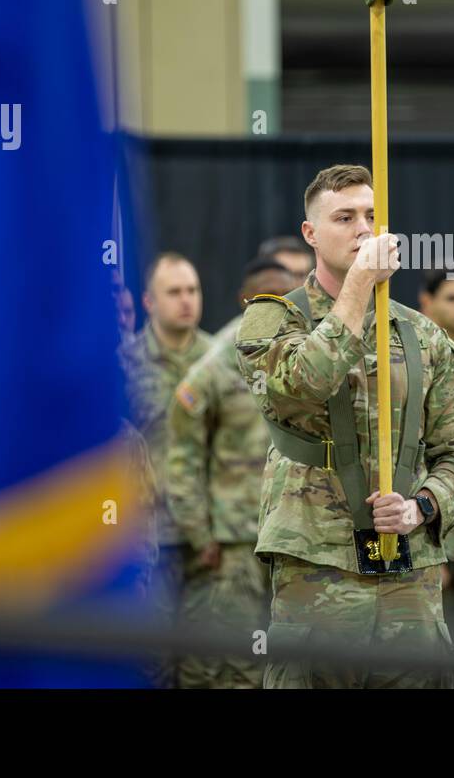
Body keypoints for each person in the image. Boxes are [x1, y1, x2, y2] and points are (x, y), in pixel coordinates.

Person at [235, 164, 454, 688]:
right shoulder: (273, 318)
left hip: (407, 569)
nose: (362, 229)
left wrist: (423, 506)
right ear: (310, 234)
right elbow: (301, 383)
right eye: (344, 217)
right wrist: (358, 287)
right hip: (316, 562)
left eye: (371, 217)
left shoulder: (423, 336)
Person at [165, 258, 295, 688]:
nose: (278, 305)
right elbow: (183, 453)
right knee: (237, 656)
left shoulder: (307, 356)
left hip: (296, 534)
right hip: (236, 538)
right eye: (267, 297)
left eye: (285, 296)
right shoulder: (219, 361)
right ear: (246, 301)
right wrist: (199, 531)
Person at [119, 250, 214, 686]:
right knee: (150, 660)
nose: (186, 301)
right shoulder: (123, 367)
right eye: (174, 292)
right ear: (149, 302)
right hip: (149, 536)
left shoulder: (223, 363)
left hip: (214, 540)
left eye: (192, 290)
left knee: (210, 662)